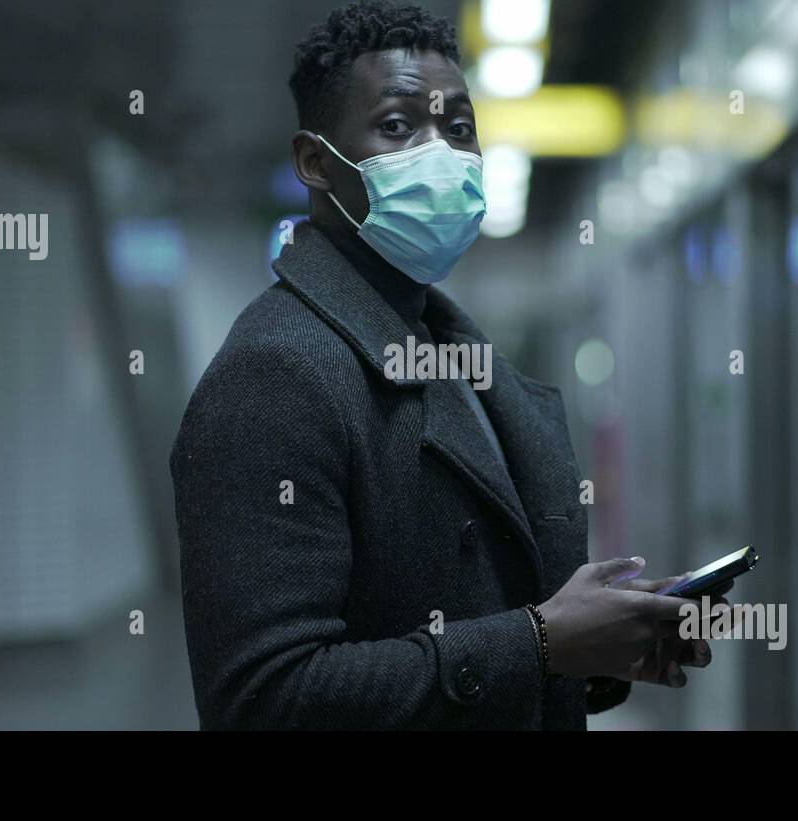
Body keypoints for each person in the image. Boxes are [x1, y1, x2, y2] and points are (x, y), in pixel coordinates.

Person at [169, 0, 728, 730]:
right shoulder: (274, 375)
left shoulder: (451, 351)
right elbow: (264, 698)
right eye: (399, 126)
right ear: (315, 161)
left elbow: (489, 613)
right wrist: (540, 641)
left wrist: (589, 650)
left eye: (458, 128)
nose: (443, 154)